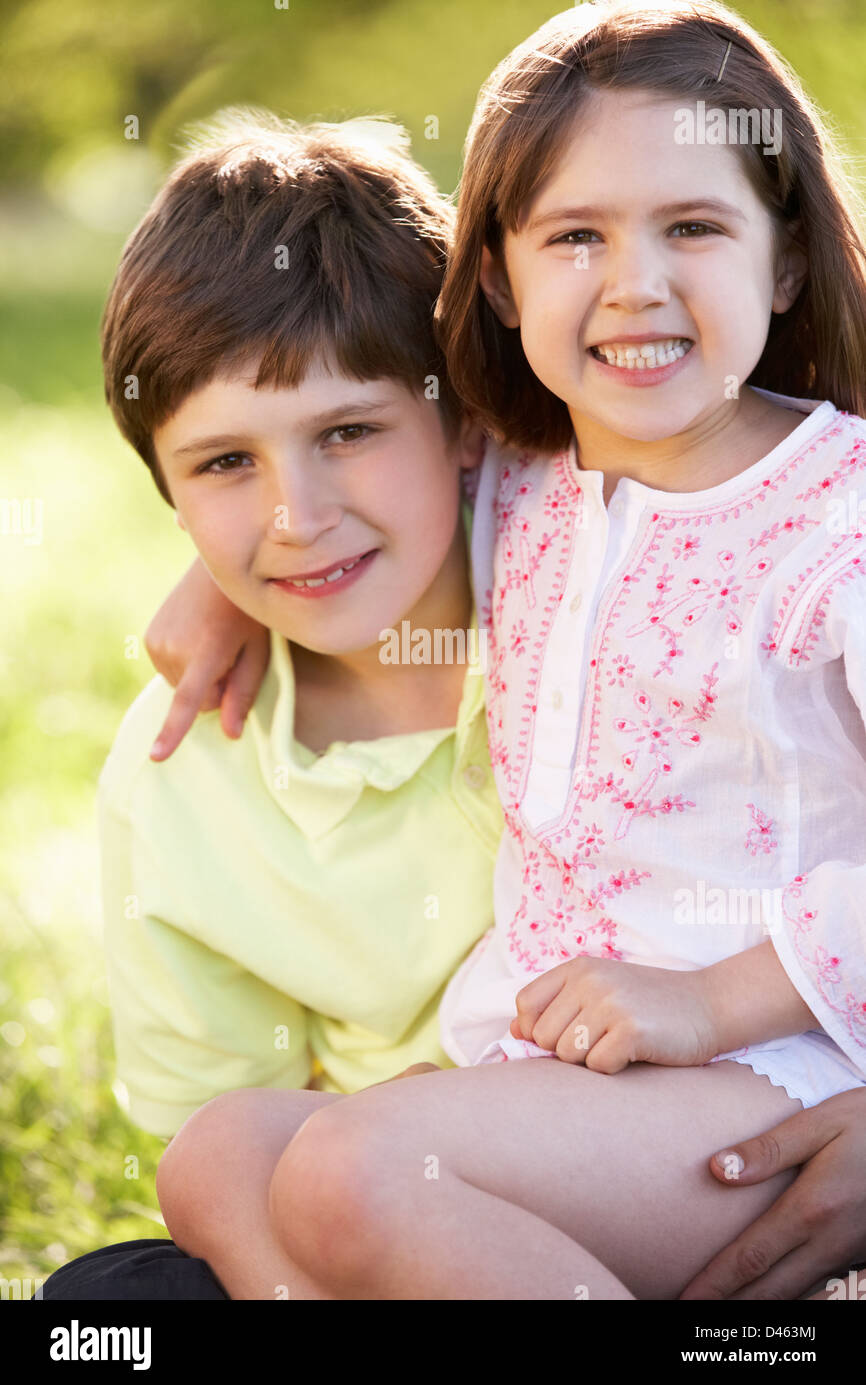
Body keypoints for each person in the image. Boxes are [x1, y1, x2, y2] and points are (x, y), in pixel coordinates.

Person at [146, 0, 866, 1300]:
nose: (633, 282)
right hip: (554, 1078)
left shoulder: (839, 526)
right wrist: (219, 580)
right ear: (496, 278)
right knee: (219, 1157)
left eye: (691, 227)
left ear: (784, 263)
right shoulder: (526, 487)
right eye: (575, 235)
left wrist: (713, 999)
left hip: (764, 1072)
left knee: (353, 1175)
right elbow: (355, 498)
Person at [36, 109, 502, 1300]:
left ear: (466, 419)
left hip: (660, 1174)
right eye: (225, 464)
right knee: (104, 1308)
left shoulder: (604, 600)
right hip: (394, 1241)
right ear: (167, 494)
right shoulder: (177, 770)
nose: (296, 514)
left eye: (346, 432)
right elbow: (223, 1156)